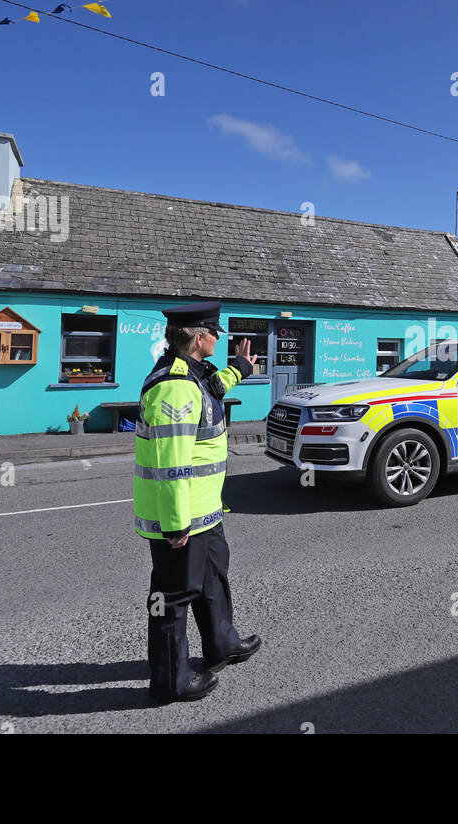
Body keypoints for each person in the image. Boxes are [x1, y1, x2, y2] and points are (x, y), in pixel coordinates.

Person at [135, 300, 262, 703]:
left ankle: (221, 644)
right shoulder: (175, 386)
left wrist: (240, 368)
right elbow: (171, 464)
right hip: (181, 518)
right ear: (199, 338)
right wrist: (176, 524)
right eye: (214, 334)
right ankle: (171, 679)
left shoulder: (194, 373)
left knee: (212, 582)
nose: (218, 340)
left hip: (205, 512)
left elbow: (215, 389)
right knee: (173, 598)